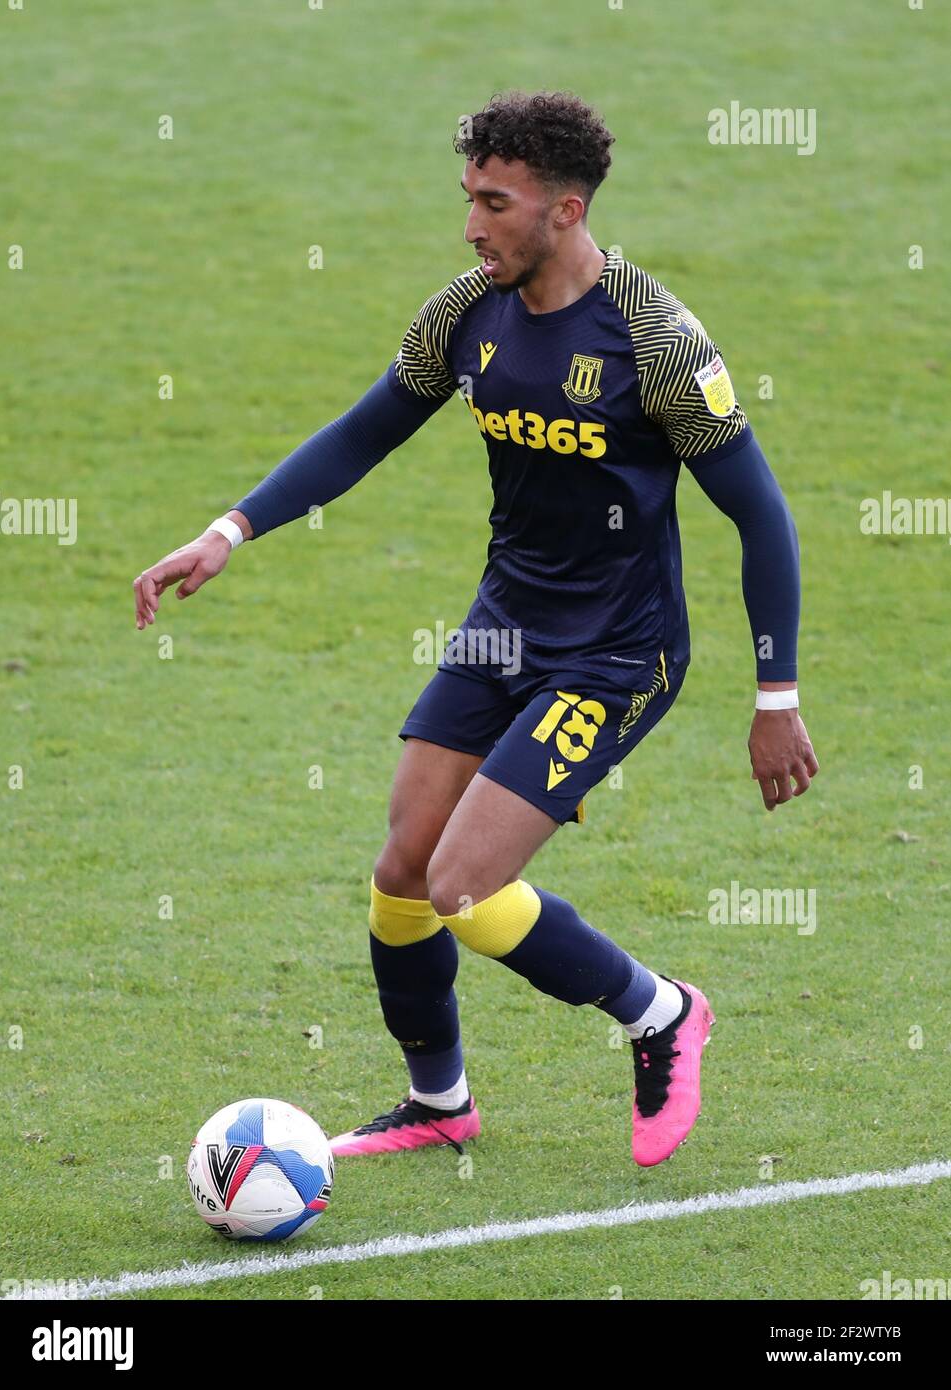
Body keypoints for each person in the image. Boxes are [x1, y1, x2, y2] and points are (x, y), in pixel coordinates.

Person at [133, 90, 818, 1168]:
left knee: (462, 885)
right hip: (503, 628)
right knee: (403, 871)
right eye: (468, 198)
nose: (470, 226)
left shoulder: (658, 342)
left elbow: (761, 515)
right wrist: (229, 531)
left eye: (495, 204)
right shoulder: (465, 315)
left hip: (617, 654)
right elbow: (365, 431)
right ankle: (438, 1101)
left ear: (566, 209)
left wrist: (776, 699)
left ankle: (662, 1014)